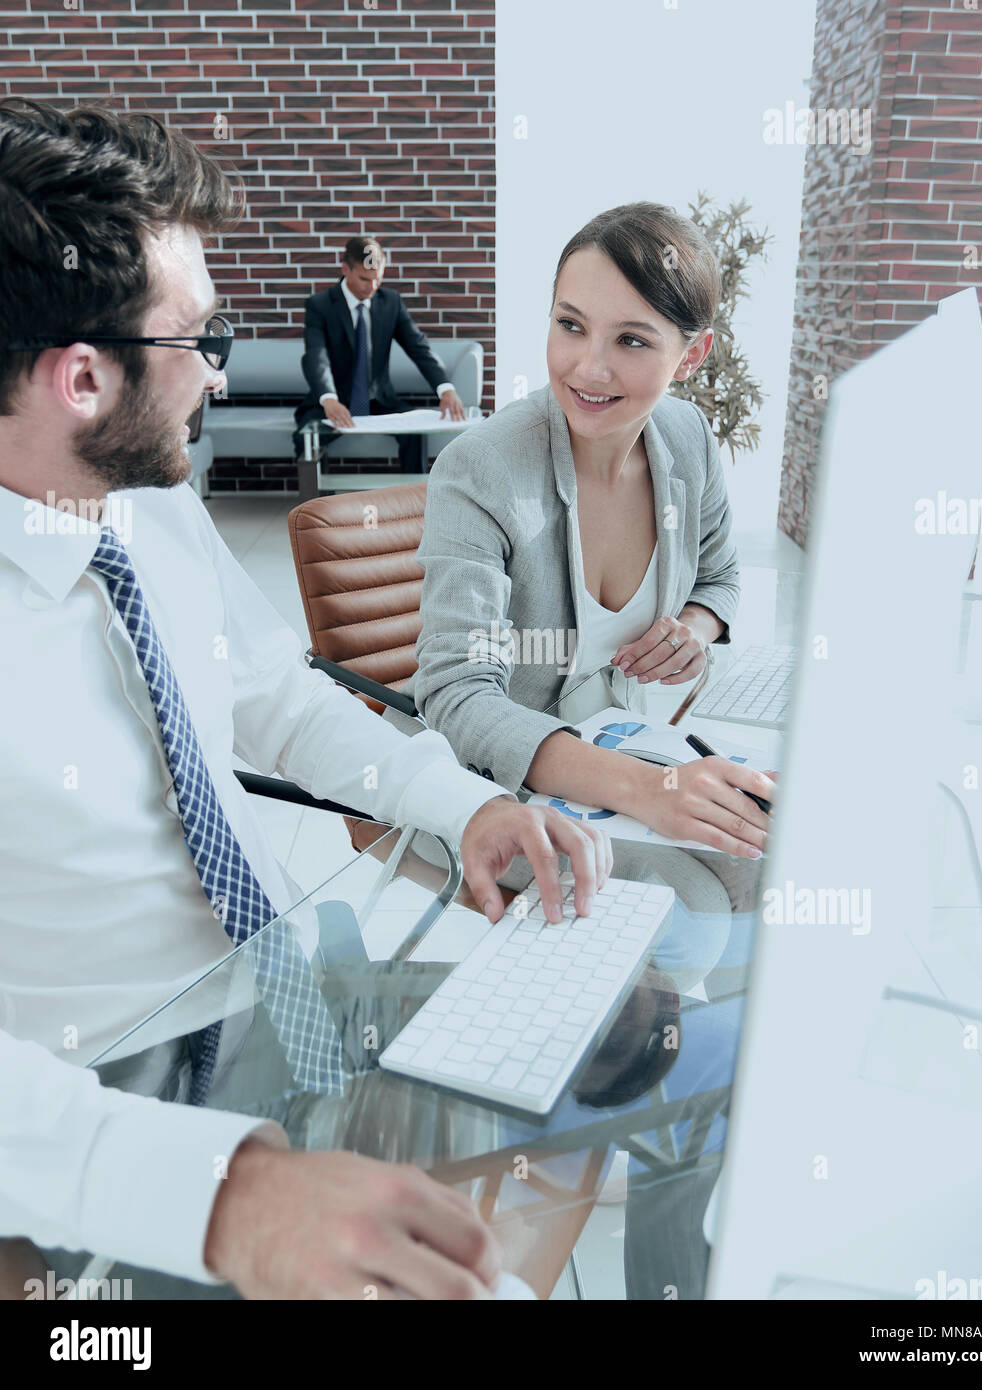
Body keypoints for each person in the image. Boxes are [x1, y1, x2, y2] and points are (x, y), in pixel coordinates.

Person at [0, 99, 611, 1300]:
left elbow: (276, 698)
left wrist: (455, 804)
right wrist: (223, 1197)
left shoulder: (149, 504)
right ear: (82, 377)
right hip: (99, 1108)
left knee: (617, 1054)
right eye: (199, 338)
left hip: (287, 984)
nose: (220, 370)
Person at [393, 202, 777, 985]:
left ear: (693, 353)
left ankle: (725, 1091)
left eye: (631, 340)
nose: (587, 368)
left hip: (632, 751)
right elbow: (457, 694)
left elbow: (721, 578)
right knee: (691, 932)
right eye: (571, 325)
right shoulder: (485, 469)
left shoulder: (686, 440)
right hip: (498, 786)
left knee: (776, 871)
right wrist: (651, 790)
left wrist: (698, 626)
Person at [293, 236, 466, 474]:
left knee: (415, 435)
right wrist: (329, 398)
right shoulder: (320, 305)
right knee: (306, 440)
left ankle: (411, 504)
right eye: (365, 279)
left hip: (380, 400)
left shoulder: (390, 303)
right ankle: (320, 504)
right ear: (345, 269)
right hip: (331, 401)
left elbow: (418, 347)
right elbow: (316, 356)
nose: (372, 287)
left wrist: (445, 388)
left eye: (378, 279)